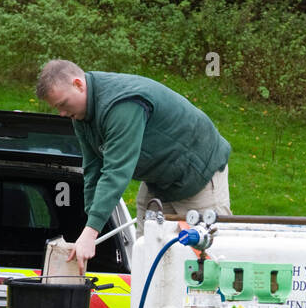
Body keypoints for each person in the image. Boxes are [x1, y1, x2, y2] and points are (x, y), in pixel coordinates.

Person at [35, 60, 232, 265]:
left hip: (196, 174)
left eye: (63, 104)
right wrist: (89, 227)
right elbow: (93, 168)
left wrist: (91, 233)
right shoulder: (81, 115)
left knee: (209, 259)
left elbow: (116, 171)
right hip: (159, 178)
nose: (62, 113)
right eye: (57, 108)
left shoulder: (121, 105)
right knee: (147, 256)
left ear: (78, 84)